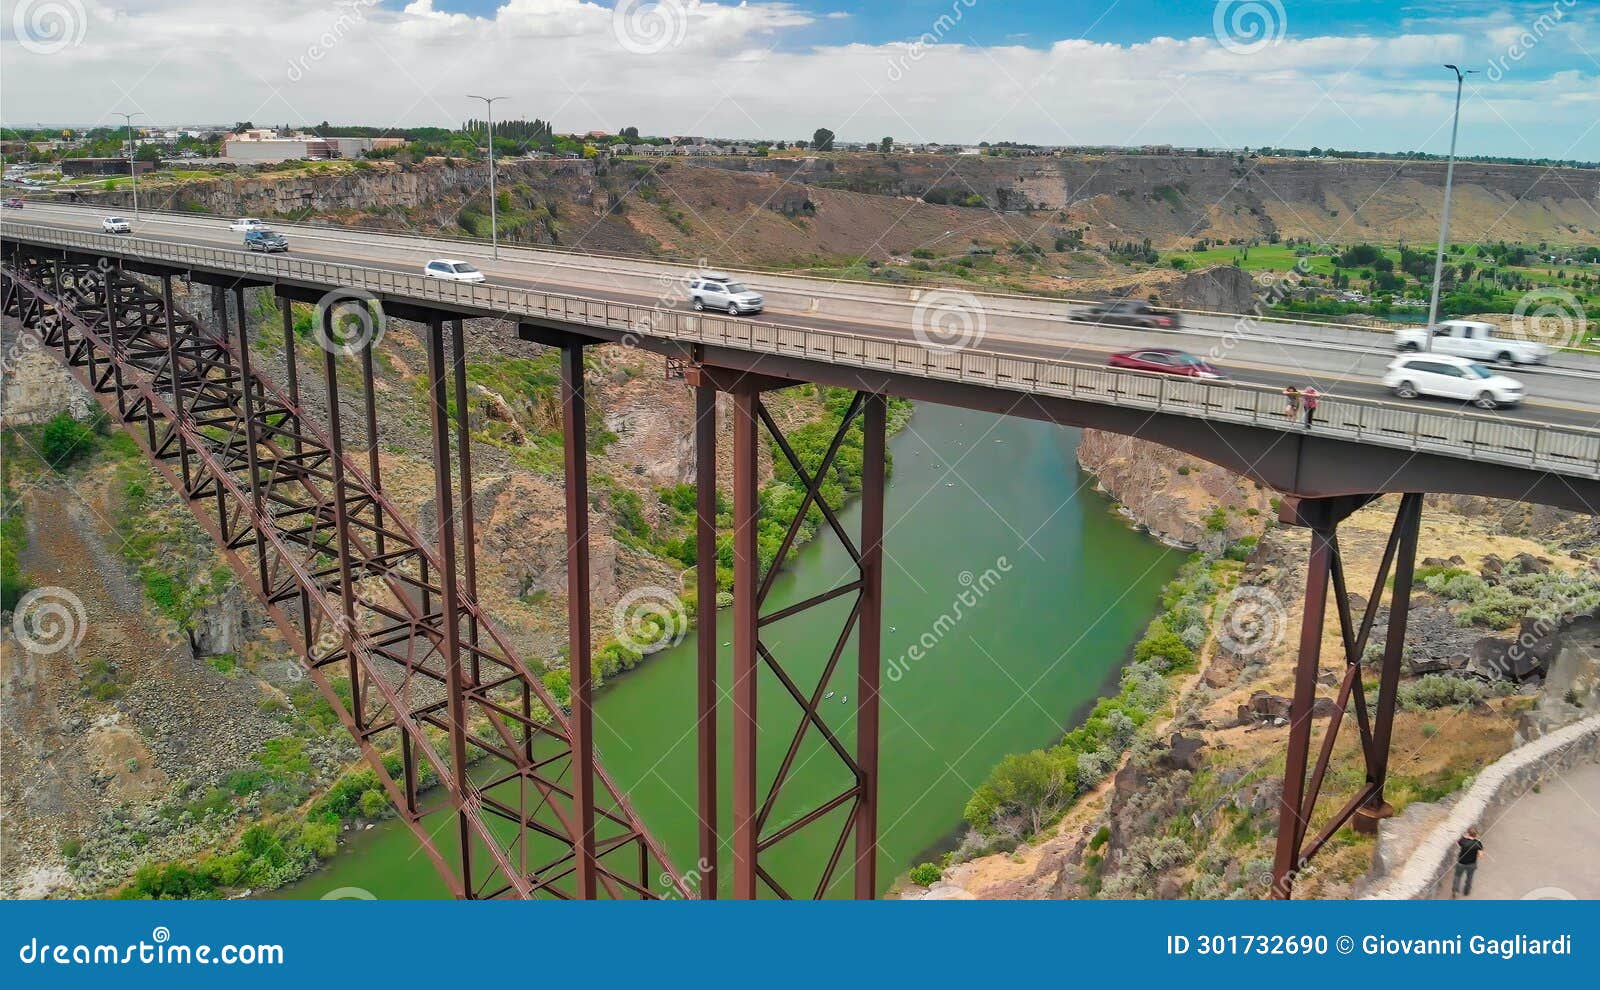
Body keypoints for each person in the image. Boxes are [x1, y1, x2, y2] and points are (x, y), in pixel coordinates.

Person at [1452, 827, 1486, 896]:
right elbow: (1481, 856)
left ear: (1468, 833)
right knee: (1469, 878)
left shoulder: (1463, 840)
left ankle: (1455, 891)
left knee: (1457, 876)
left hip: (1461, 863)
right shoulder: (1478, 843)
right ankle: (1466, 891)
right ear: (1476, 834)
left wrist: (1464, 838)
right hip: (1471, 864)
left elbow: (1458, 844)